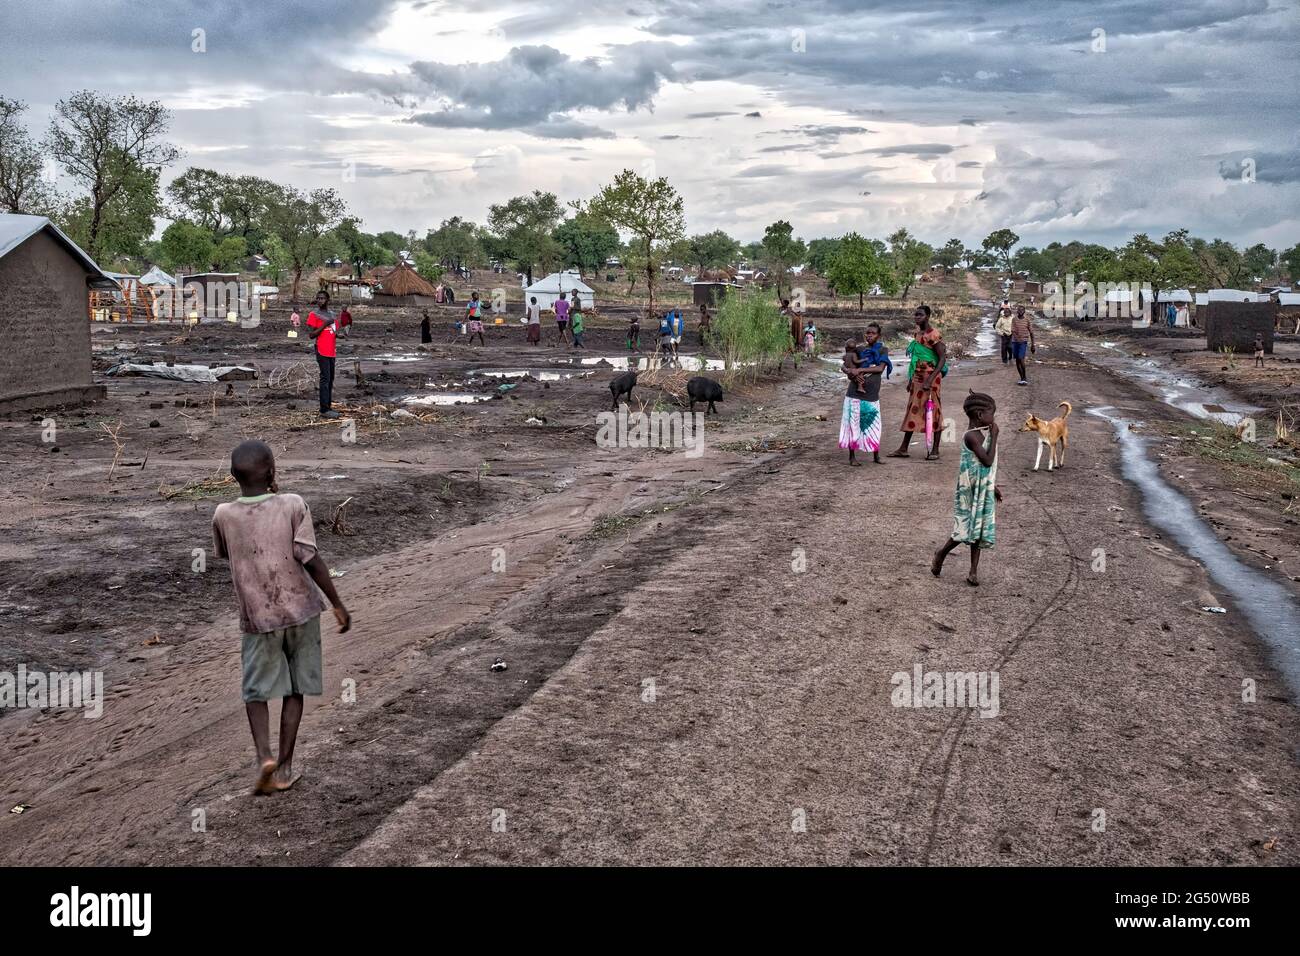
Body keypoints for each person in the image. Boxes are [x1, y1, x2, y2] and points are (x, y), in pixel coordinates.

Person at [212, 440, 352, 794]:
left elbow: (230, 555)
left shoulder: (223, 515)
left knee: (256, 692)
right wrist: (336, 602)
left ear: (233, 477)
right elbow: (311, 559)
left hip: (258, 619)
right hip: (302, 611)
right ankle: (285, 769)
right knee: (295, 690)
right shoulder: (292, 505)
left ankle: (263, 756)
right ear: (273, 472)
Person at [931, 391, 1002, 587]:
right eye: (991, 414)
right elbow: (987, 461)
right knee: (965, 528)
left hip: (981, 487)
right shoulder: (972, 436)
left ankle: (973, 571)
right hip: (969, 490)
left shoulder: (979, 434)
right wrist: (994, 436)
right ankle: (941, 552)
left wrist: (992, 486)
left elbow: (982, 468)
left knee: (977, 528)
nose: (993, 419)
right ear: (980, 415)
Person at [889, 305, 945, 460]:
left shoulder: (933, 335)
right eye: (915, 315)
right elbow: (915, 359)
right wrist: (911, 379)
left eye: (920, 315)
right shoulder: (918, 334)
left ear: (927, 316)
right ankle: (903, 448)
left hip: (930, 377)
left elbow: (942, 359)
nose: (917, 317)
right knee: (913, 409)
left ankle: (935, 449)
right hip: (918, 377)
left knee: (933, 410)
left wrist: (931, 379)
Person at [839, 326, 888, 466]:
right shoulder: (859, 350)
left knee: (874, 424)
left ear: (879, 335)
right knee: (852, 424)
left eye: (873, 333)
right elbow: (844, 364)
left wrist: (859, 369)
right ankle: (852, 457)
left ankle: (876, 455)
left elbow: (880, 368)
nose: (869, 335)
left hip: (872, 394)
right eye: (867, 333)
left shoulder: (883, 350)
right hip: (854, 393)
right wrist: (850, 373)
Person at [306, 290, 339, 419]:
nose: (320, 300)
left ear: (328, 300)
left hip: (331, 351)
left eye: (322, 298)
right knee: (325, 379)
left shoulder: (332, 314)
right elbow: (311, 335)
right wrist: (325, 324)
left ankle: (328, 406)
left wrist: (340, 335)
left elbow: (333, 332)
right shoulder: (314, 314)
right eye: (318, 298)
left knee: (330, 379)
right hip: (321, 350)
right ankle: (324, 409)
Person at [1010, 305, 1035, 385]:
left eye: (1022, 310)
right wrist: (1017, 338)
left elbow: (1031, 332)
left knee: (1021, 359)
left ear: (1024, 311)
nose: (1020, 311)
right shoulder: (1014, 320)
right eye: (1019, 310)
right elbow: (1013, 331)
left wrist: (1033, 345)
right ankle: (1021, 378)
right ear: (1017, 311)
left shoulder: (1027, 320)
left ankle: (1024, 377)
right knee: (1017, 360)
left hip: (1023, 342)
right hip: (1015, 342)